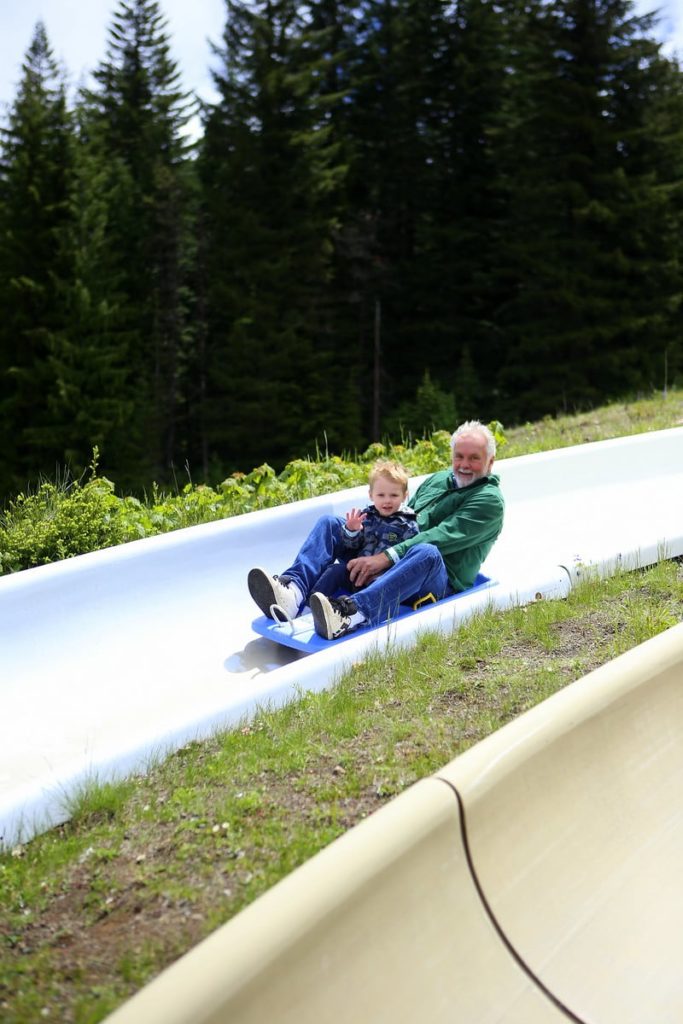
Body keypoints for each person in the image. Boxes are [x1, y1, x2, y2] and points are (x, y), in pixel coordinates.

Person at [248, 420, 504, 641]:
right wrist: (362, 531)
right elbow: (402, 517)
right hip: (394, 556)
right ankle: (293, 594)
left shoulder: (488, 500)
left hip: (435, 579)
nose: (464, 464)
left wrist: (384, 557)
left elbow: (438, 537)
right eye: (459, 456)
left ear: (490, 462)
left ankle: (351, 615)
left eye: (474, 458)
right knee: (330, 524)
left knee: (427, 551)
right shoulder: (439, 479)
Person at [248, 459, 418, 622]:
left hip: (381, 580)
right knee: (334, 570)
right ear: (371, 495)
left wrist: (384, 568)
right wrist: (352, 531)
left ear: (404, 496)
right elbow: (354, 546)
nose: (387, 500)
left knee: (372, 580)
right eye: (381, 495)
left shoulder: (408, 524)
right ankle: (302, 606)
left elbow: (409, 559)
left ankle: (350, 612)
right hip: (356, 573)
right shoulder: (367, 516)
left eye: (394, 495)